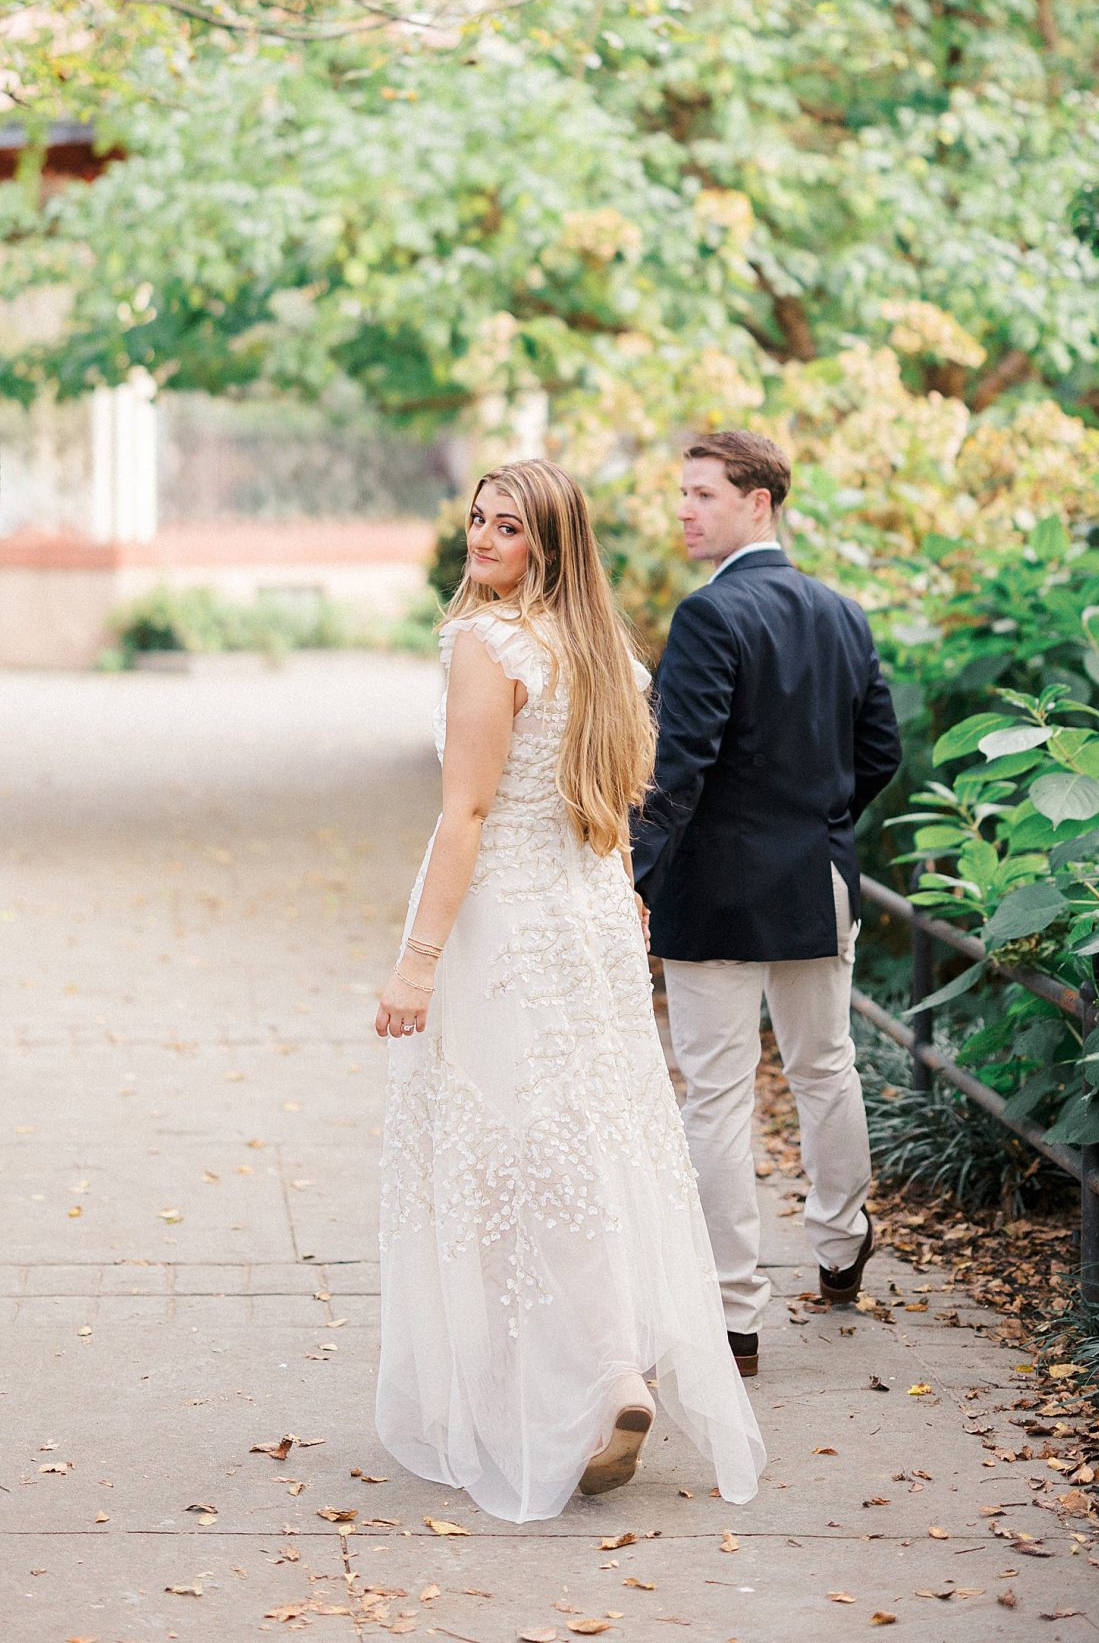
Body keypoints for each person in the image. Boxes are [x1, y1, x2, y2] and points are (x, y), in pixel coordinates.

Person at [373, 458, 764, 1522]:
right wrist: (619, 899)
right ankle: (601, 1366)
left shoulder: (483, 643)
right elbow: (610, 797)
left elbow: (466, 816)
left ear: (549, 543)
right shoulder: (603, 654)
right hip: (587, 915)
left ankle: (595, 1375)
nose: (484, 536)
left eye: (509, 525)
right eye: (477, 517)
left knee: (505, 1148)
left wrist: (416, 961)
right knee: (586, 1136)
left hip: (504, 921)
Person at [631, 431, 903, 1377]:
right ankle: (839, 1247)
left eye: (702, 493)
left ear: (759, 502)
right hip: (818, 879)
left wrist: (631, 873)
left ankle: (734, 1311)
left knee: (716, 1094)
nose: (684, 509)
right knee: (825, 1067)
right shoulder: (842, 613)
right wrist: (817, 828)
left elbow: (678, 768)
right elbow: (881, 754)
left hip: (716, 891)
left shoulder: (710, 616)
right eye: (682, 493)